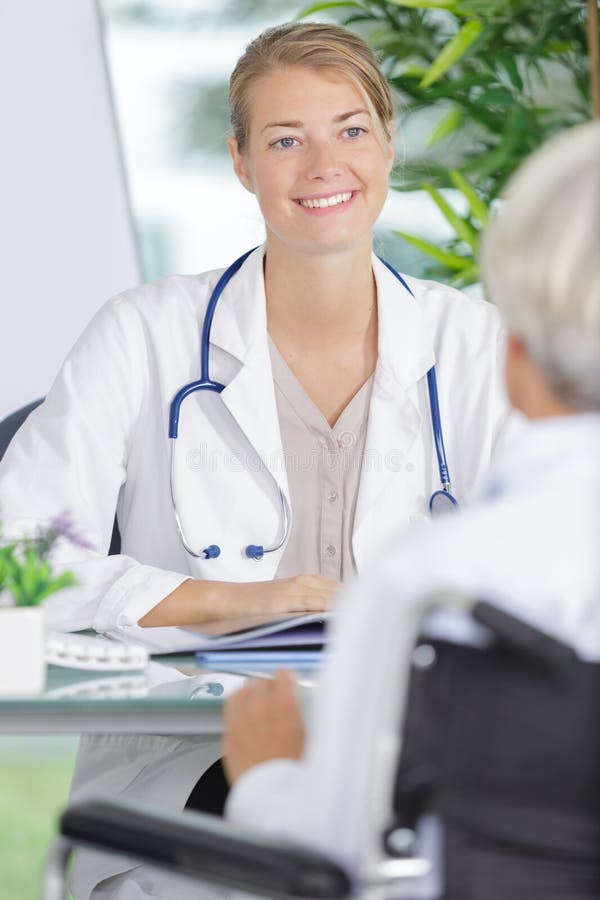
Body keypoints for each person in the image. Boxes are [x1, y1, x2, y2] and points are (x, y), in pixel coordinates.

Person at [0, 22, 513, 899]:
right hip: (201, 760)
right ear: (241, 162)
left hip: (416, 750)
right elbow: (22, 560)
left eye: (351, 131)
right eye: (286, 140)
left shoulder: (475, 347)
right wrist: (243, 604)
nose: (325, 165)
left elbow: (552, 563)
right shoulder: (144, 333)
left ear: (388, 146)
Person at [221, 121, 600, 899]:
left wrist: (265, 774)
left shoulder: (432, 584)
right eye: (285, 140)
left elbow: (332, 862)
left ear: (517, 361)